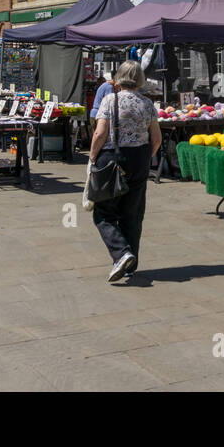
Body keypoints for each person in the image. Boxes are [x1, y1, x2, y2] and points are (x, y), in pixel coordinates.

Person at [87, 60, 161, 282]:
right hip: (140, 158)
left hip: (113, 158)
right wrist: (144, 158)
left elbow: (100, 134)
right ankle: (130, 264)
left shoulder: (111, 100)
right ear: (140, 80)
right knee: (133, 213)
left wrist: (92, 158)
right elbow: (156, 139)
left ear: (119, 78)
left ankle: (121, 254)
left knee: (103, 212)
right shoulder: (148, 103)